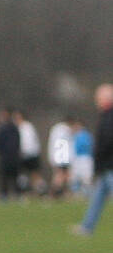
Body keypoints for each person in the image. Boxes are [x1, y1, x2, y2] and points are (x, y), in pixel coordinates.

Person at [72, 84, 113, 236]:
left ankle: (87, 227)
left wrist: (100, 156)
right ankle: (87, 227)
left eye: (99, 98)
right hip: (106, 165)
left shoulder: (109, 117)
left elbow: (108, 141)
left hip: (109, 164)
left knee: (99, 195)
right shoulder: (106, 116)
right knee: (98, 197)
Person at [0, 108, 20, 201]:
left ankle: (18, 195)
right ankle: (4, 195)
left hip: (14, 156)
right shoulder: (1, 129)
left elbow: (17, 142)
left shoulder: (14, 128)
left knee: (15, 177)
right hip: (4, 157)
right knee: (4, 177)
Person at [15, 109, 43, 195]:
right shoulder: (20, 127)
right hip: (25, 154)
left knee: (34, 175)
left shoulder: (26, 127)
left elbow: (28, 142)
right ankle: (24, 192)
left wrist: (23, 152)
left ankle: (41, 191)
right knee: (23, 175)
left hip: (30, 155)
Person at [47, 117, 74, 199]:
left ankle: (62, 193)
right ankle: (54, 193)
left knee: (63, 176)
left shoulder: (56, 128)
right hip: (62, 156)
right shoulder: (64, 130)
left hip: (58, 156)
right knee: (60, 176)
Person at [71, 120, 94, 195]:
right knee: (75, 176)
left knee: (86, 177)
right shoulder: (74, 136)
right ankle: (76, 193)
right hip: (77, 158)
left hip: (85, 158)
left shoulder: (85, 135)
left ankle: (87, 192)